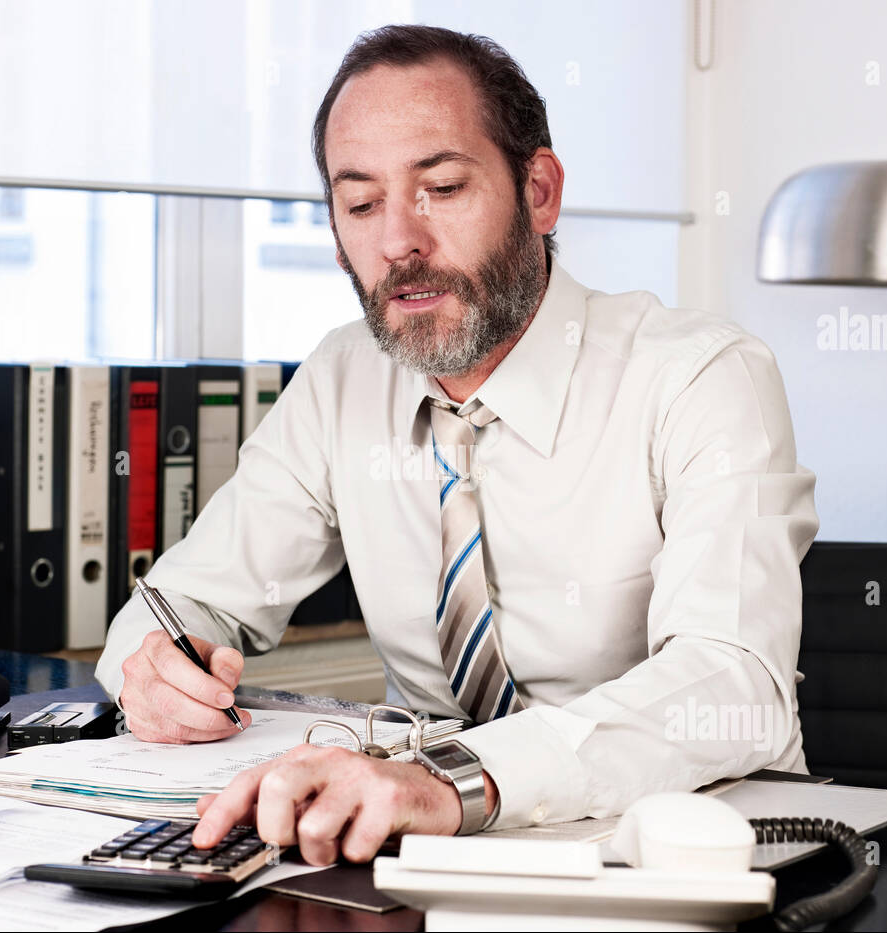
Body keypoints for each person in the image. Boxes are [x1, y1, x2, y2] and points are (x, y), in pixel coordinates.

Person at [94, 24, 819, 867]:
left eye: (441, 186)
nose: (400, 239)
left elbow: (733, 683)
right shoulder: (342, 378)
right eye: (362, 204)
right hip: (420, 866)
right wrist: (151, 675)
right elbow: (180, 609)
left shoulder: (701, 377)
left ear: (539, 191)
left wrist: (454, 782)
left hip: (691, 858)